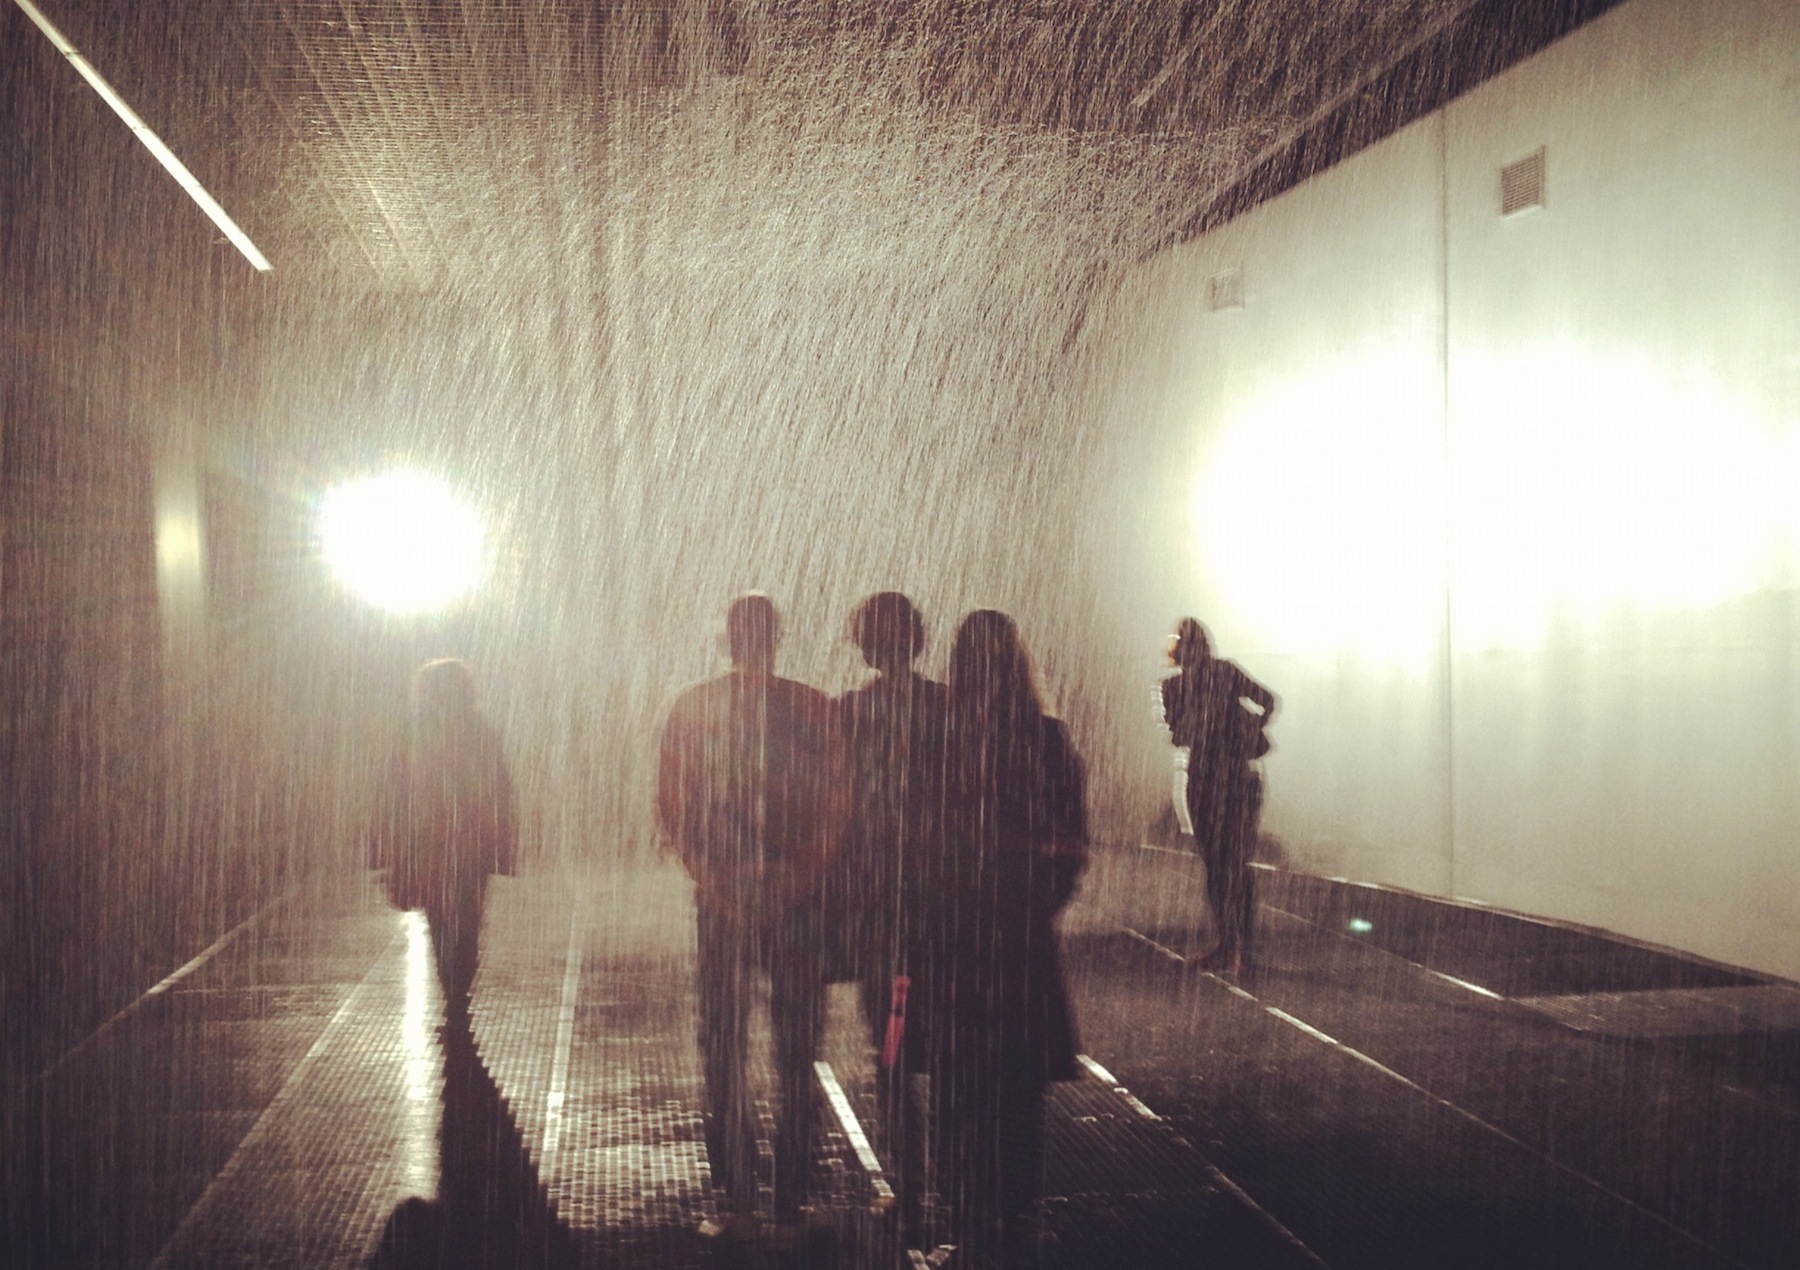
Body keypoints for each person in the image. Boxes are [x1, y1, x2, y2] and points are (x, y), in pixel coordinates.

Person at [656, 593, 843, 1235]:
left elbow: (675, 808)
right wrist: (801, 876)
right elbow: (837, 803)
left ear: (726, 640)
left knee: (724, 1048)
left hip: (722, 902)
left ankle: (734, 1192)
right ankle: (793, 1195)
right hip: (800, 906)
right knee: (797, 1055)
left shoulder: (694, 708)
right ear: (777, 639)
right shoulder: (812, 707)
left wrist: (718, 882)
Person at [931, 610, 1089, 1270]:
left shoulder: (939, 734)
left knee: (958, 1091)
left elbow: (918, 837)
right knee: (1020, 1094)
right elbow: (1074, 841)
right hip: (1021, 943)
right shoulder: (1047, 738)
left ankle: (967, 1227)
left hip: (954, 942)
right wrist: (1034, 906)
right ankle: (1019, 1224)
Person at [829, 591, 949, 1253]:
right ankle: (962, 1181)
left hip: (884, 910)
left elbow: (839, 814)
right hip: (951, 908)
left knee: (895, 1049)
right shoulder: (953, 708)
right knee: (958, 1047)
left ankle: (908, 1179)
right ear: (919, 640)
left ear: (867, 647)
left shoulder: (850, 715)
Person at [372, 658, 518, 1022]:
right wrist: (502, 842)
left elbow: (391, 792)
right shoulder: (478, 731)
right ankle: (460, 984)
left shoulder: (414, 731)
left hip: (427, 842)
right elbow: (500, 789)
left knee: (439, 919)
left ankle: (452, 984)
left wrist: (387, 847)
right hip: (468, 843)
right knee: (468, 918)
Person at [1161, 618, 1277, 975]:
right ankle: (1238, 947)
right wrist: (1247, 729)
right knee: (1233, 865)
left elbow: (1177, 735)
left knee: (1217, 865)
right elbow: (1268, 701)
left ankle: (1232, 945)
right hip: (1237, 778)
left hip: (1204, 780)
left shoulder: (1173, 688)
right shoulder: (1224, 673)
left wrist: (1207, 729)